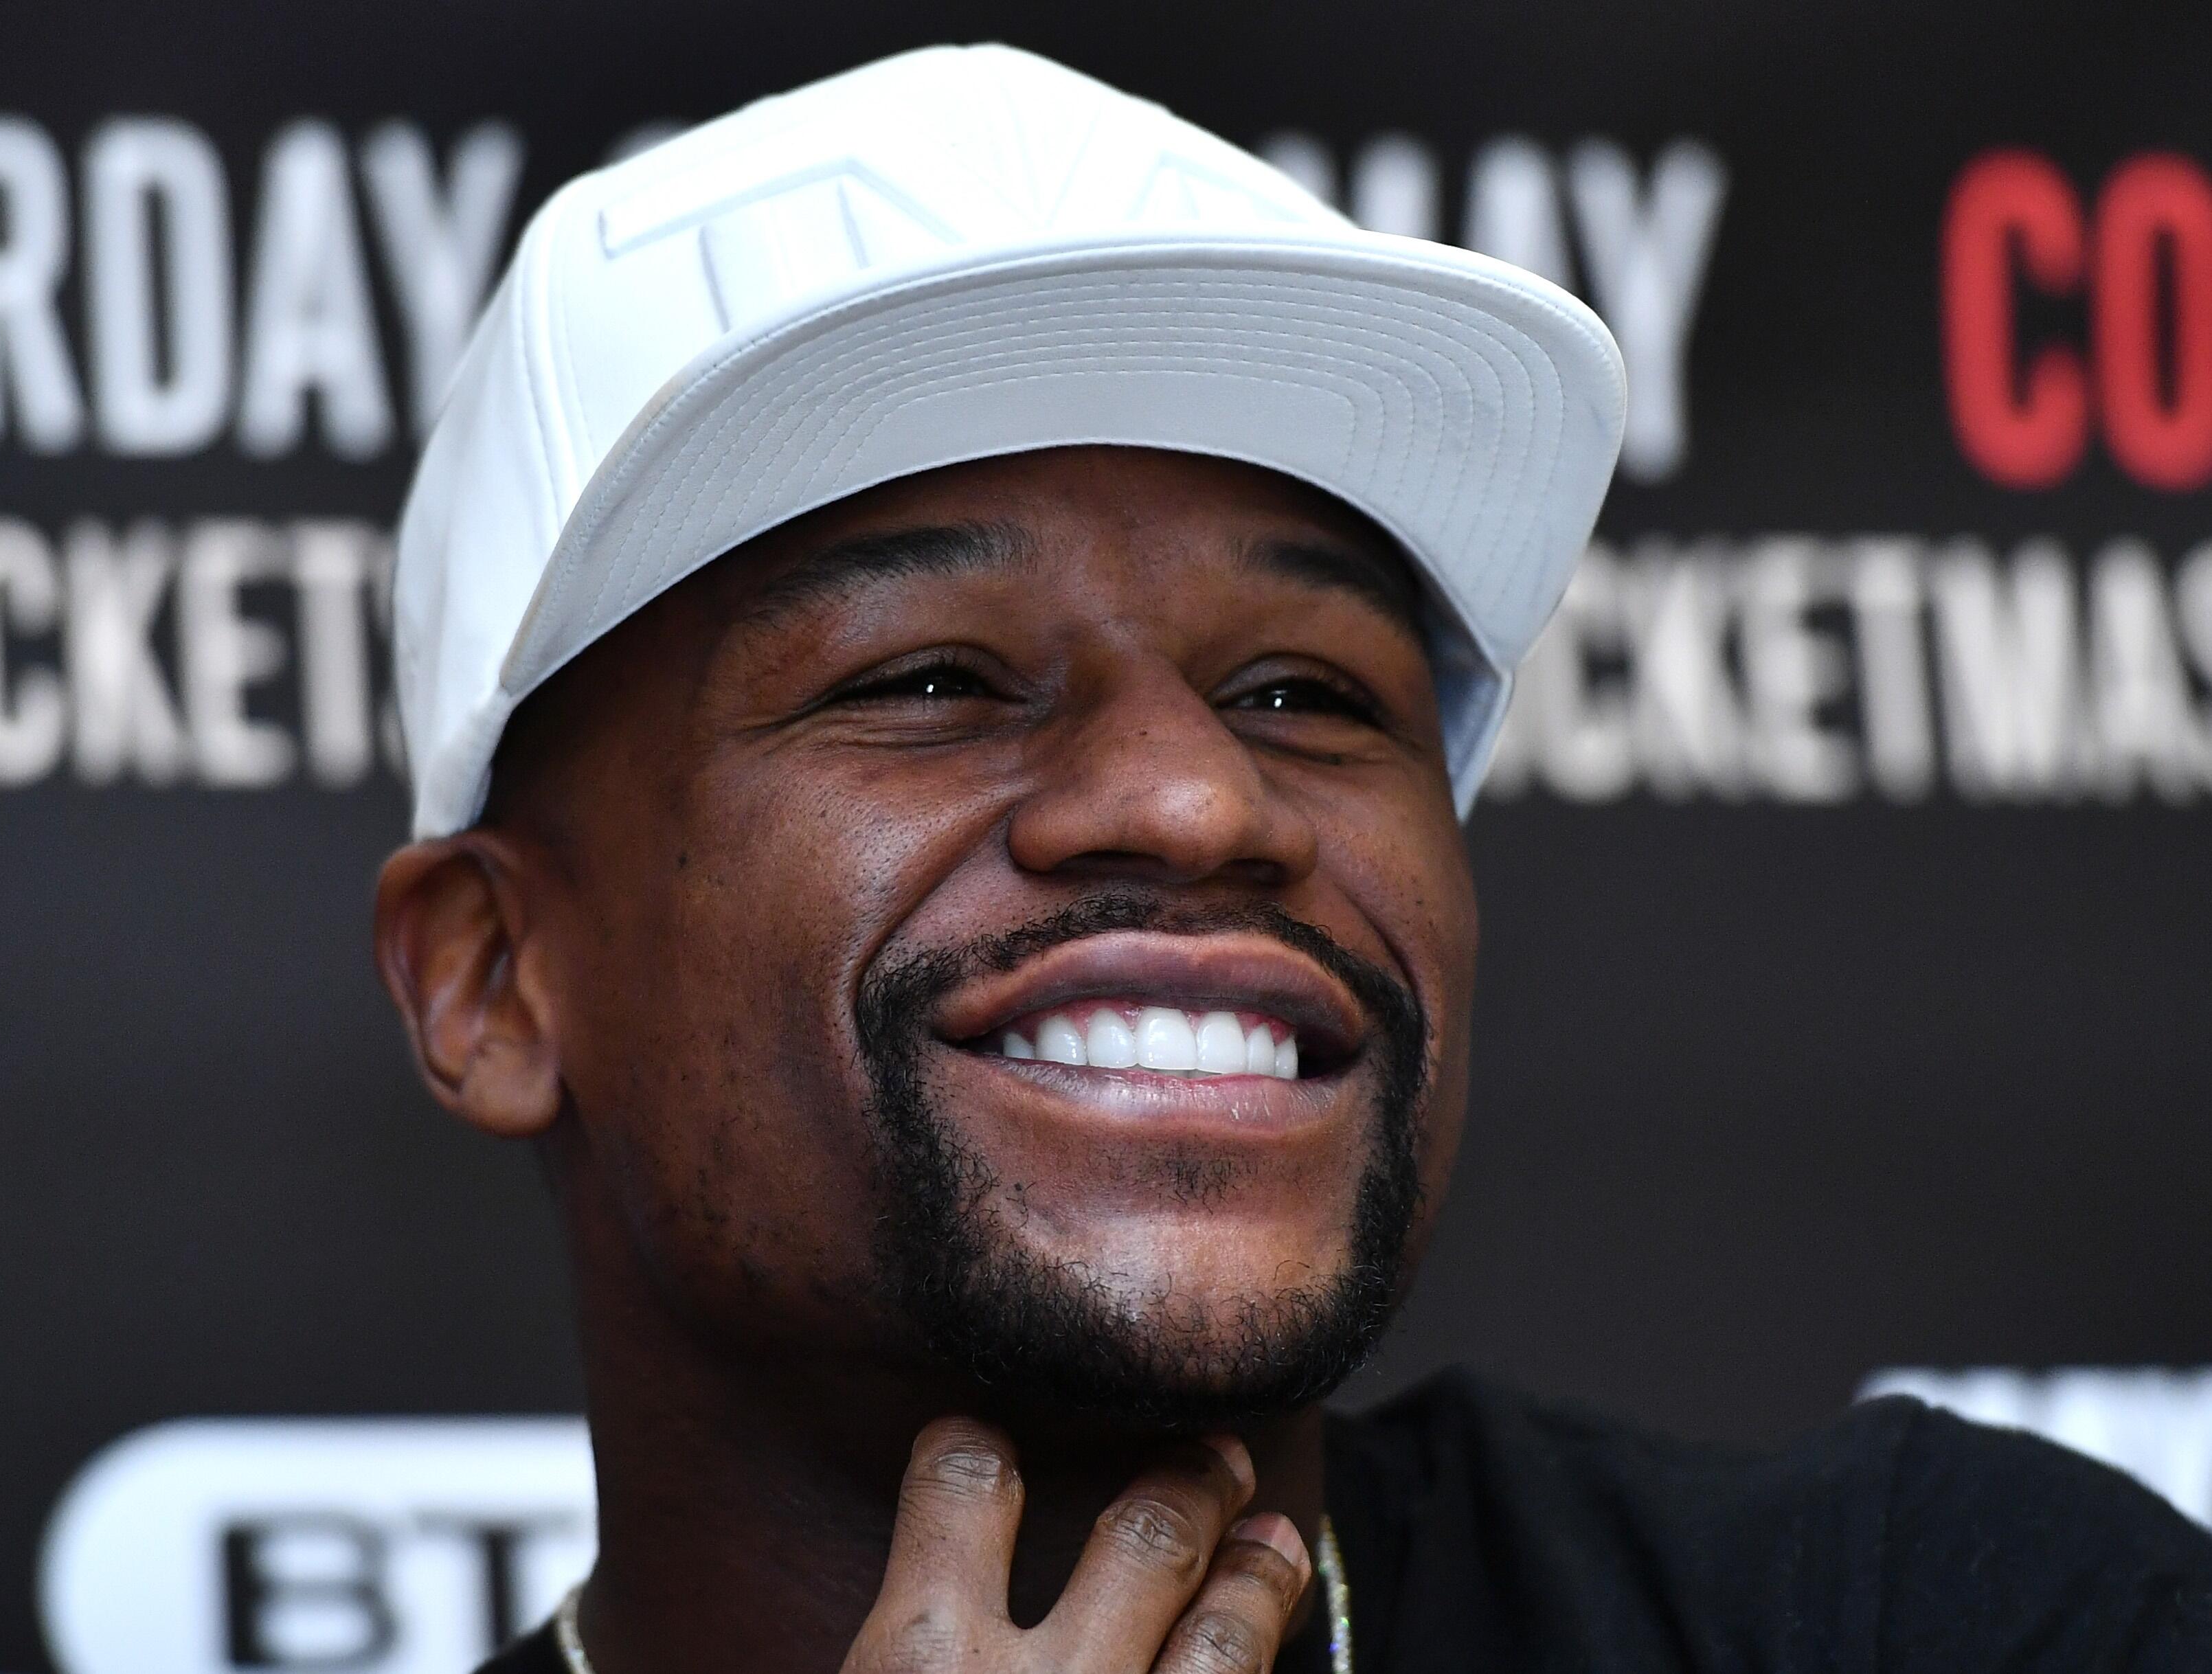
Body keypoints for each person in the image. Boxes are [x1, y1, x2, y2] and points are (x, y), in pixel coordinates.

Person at [371, 44, 2212, 1674]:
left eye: (1302, 691)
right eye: (931, 679)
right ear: (489, 978)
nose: (1197, 803)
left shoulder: (1933, 1619)